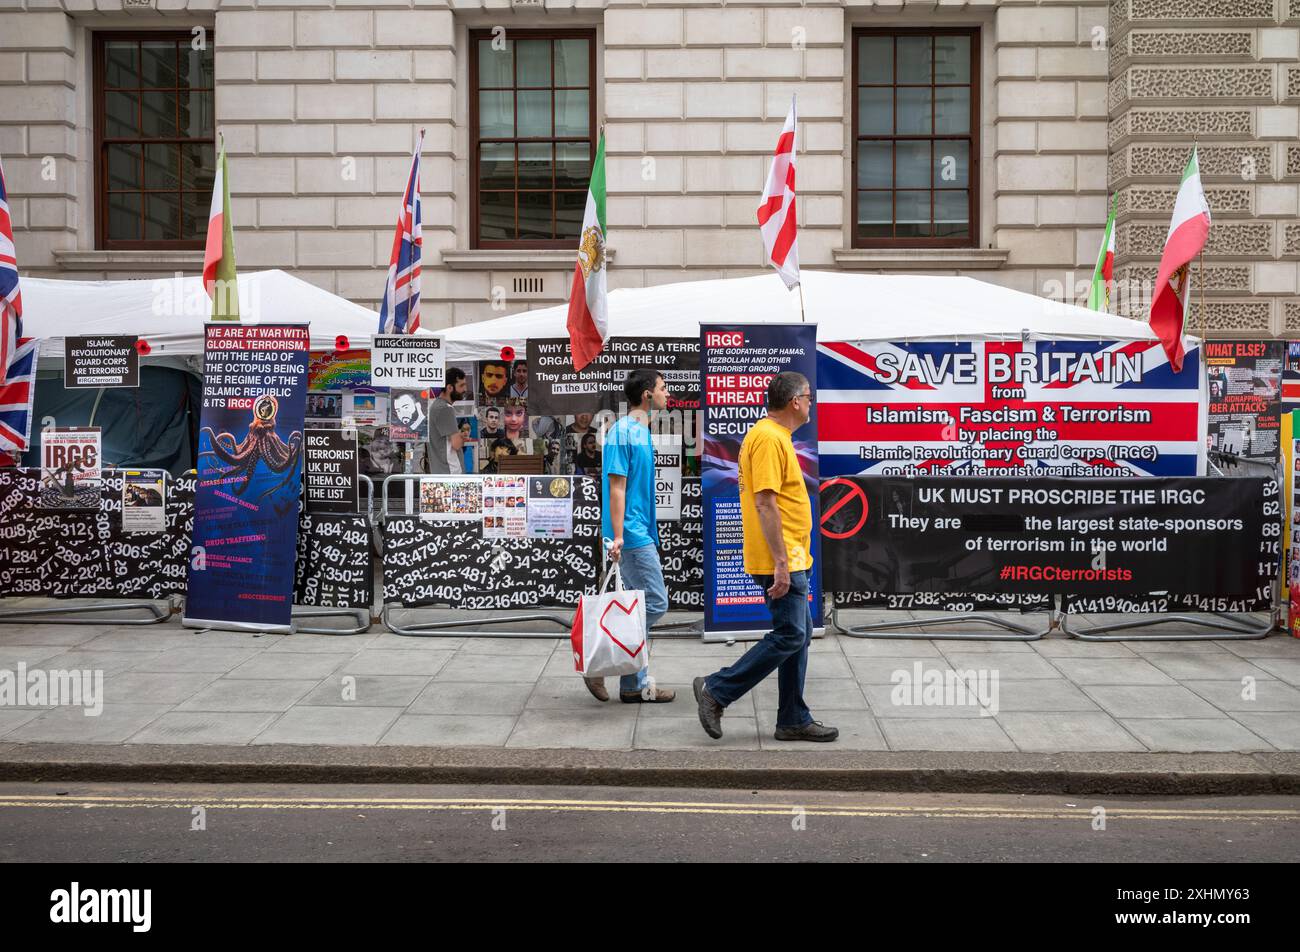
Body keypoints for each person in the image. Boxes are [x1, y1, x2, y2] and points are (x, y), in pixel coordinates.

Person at [694, 371, 838, 743]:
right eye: (809, 396)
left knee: (799, 634)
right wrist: (781, 563)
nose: (811, 403)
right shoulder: (770, 438)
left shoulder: (772, 436)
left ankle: (792, 718)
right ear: (794, 401)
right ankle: (717, 689)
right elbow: (765, 502)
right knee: (790, 634)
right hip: (783, 556)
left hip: (791, 553)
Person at [584, 368, 674, 704]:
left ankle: (633, 685)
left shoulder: (640, 432)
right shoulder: (622, 433)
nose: (668, 394)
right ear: (648, 394)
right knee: (655, 602)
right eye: (663, 388)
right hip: (632, 535)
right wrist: (618, 536)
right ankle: (602, 660)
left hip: (639, 530)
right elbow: (616, 487)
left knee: (638, 605)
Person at [427, 367, 467, 474]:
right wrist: (462, 437)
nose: (465, 389)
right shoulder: (446, 409)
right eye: (461, 385)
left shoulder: (436, 406)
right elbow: (456, 444)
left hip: (441, 470)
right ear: (449, 387)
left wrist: (459, 435)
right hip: (451, 471)